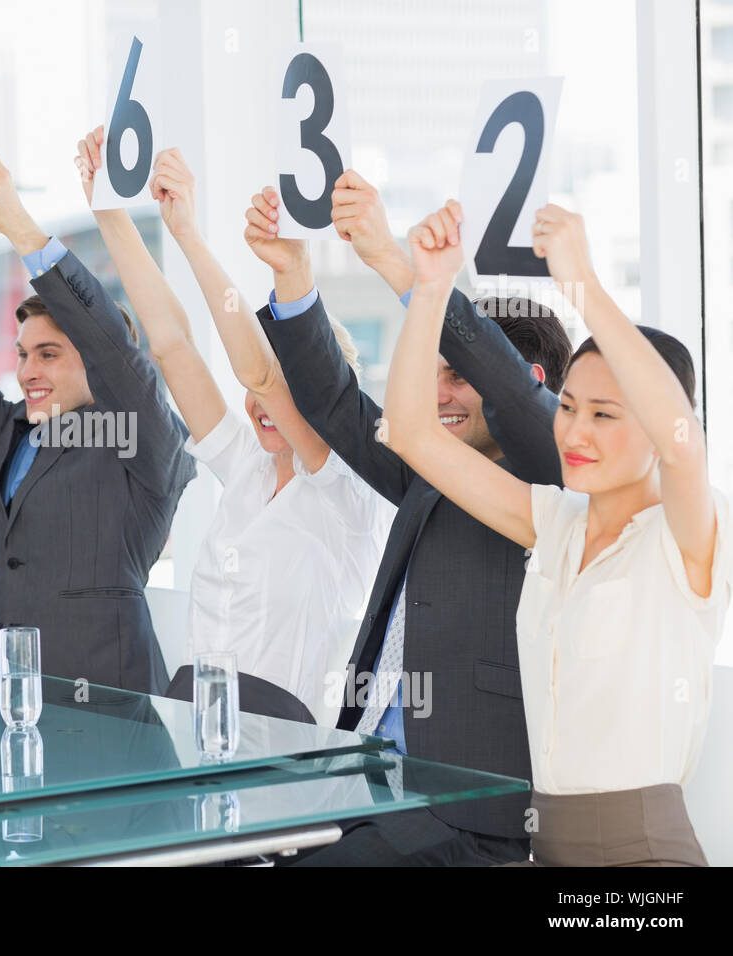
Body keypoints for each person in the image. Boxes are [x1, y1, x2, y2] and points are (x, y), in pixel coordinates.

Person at [380, 200, 728, 866]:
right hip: (549, 848)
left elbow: (684, 446)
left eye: (604, 414)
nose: (575, 431)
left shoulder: (683, 539)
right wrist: (429, 290)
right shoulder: (556, 524)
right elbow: (414, 434)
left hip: (645, 851)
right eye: (568, 406)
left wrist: (582, 285)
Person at [248, 176, 572, 865]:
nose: (437, 392)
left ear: (531, 381)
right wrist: (294, 279)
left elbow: (513, 392)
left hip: (466, 816)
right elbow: (335, 400)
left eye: (458, 375)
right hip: (364, 786)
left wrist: (408, 274)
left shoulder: (553, 480)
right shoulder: (427, 467)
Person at [73, 128, 391, 722]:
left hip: (281, 740)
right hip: (194, 715)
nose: (261, 400)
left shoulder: (349, 490)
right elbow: (171, 345)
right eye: (256, 390)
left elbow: (264, 374)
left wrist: (192, 236)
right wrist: (111, 212)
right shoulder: (246, 462)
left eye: (292, 388)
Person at [0, 146, 196, 695]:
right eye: (23, 354)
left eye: (48, 354)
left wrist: (20, 228)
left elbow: (110, 341)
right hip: (6, 693)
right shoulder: (11, 432)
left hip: (105, 705)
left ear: (94, 361)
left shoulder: (145, 439)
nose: (26, 370)